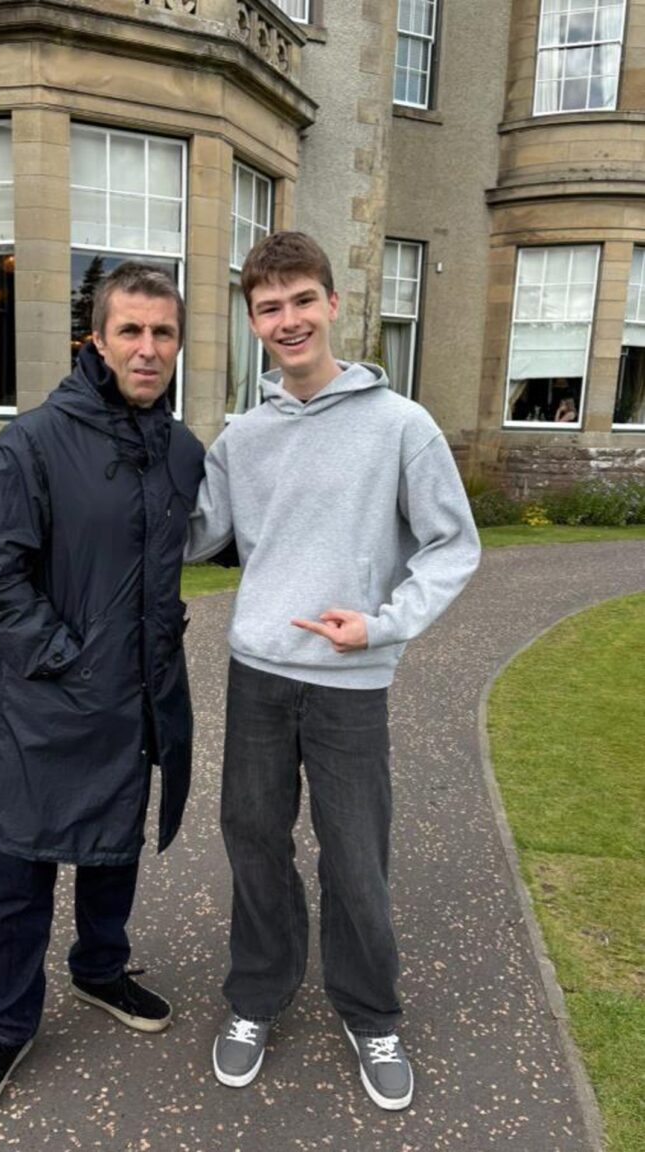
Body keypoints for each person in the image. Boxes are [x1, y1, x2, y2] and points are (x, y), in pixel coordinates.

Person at [186, 232, 481, 1111]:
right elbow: (194, 533)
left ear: (332, 303)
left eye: (301, 300)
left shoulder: (400, 425)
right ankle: (256, 995)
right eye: (268, 308)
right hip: (257, 678)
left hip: (349, 683)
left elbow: (451, 546)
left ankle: (369, 1010)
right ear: (251, 321)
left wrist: (385, 624)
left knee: (355, 856)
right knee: (254, 841)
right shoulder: (242, 437)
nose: (287, 321)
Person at [0, 263, 205, 1124]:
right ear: (96, 338)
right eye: (130, 330)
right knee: (22, 868)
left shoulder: (179, 450)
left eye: (161, 332)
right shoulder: (32, 442)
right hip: (50, 701)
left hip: (138, 700)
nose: (147, 348)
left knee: (114, 844)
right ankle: (5, 1026)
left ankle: (100, 970)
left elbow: (202, 549)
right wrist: (68, 659)